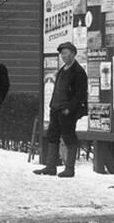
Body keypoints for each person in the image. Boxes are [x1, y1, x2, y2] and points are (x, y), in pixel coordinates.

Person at [36, 40, 88, 177]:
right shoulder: (62, 70)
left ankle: (70, 168)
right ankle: (50, 166)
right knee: (52, 136)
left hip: (67, 111)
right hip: (56, 108)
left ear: (73, 54)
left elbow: (80, 94)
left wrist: (69, 109)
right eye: (62, 54)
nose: (63, 56)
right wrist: (52, 105)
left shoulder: (78, 72)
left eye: (66, 53)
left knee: (69, 137)